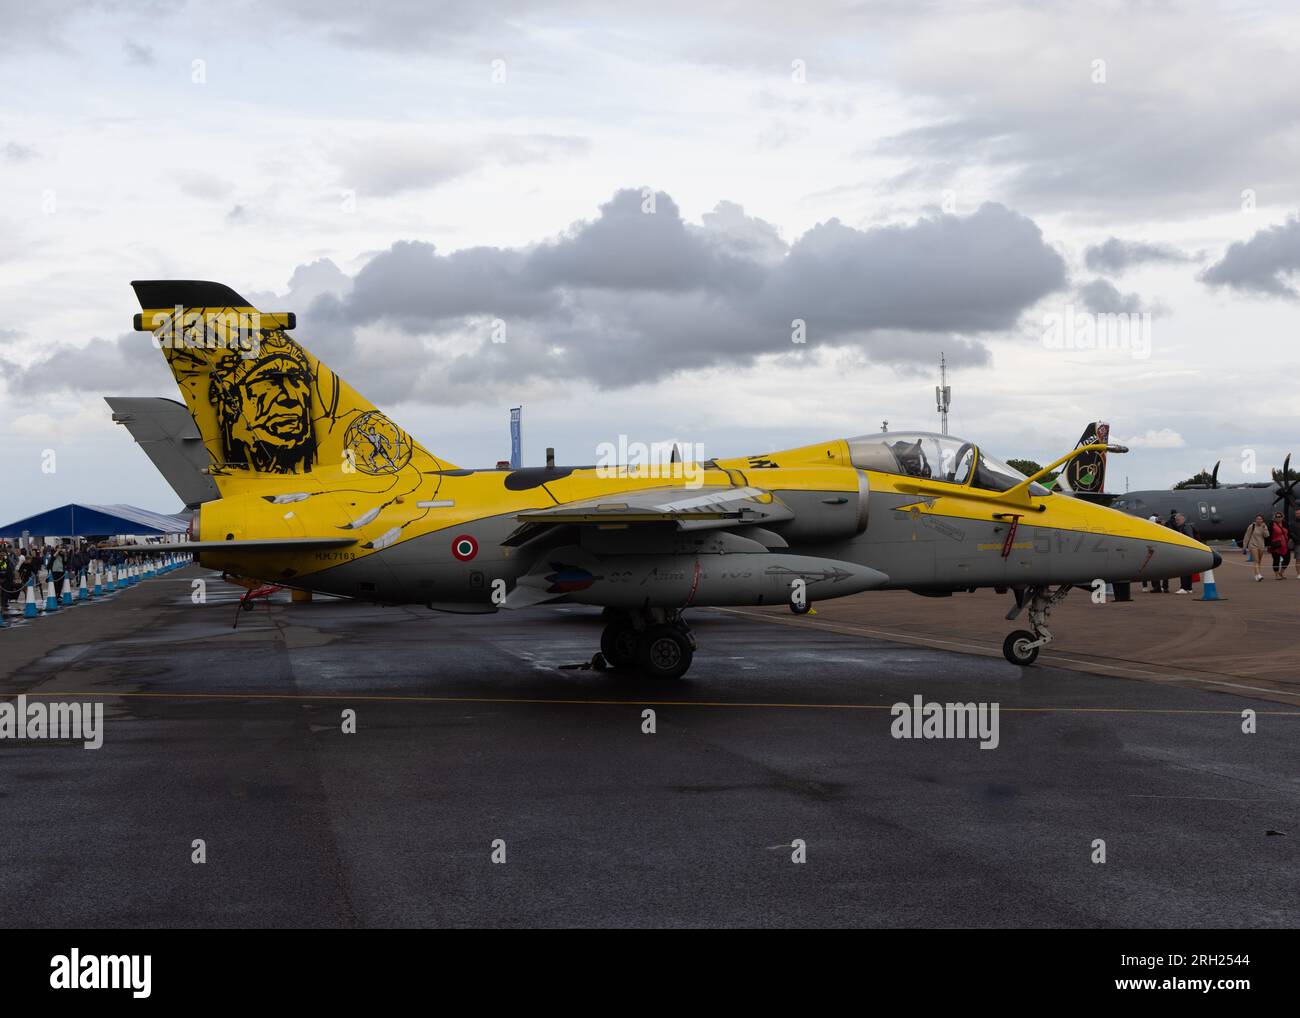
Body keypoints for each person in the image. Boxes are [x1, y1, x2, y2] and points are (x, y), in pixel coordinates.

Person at [1169, 513, 1198, 593]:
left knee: (1184, 570)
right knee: (1188, 570)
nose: (1176, 522)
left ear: (1183, 520)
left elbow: (1190, 539)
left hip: (1187, 552)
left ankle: (1184, 588)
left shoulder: (1186, 527)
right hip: (1188, 552)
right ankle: (1188, 588)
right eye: (1176, 520)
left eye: (1178, 520)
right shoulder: (1183, 527)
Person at [1243, 514, 1270, 582]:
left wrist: (1264, 529)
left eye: (1260, 519)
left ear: (1262, 520)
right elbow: (1247, 536)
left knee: (1259, 561)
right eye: (1257, 519)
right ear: (1255, 520)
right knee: (1256, 560)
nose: (1259, 520)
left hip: (1261, 545)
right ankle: (1258, 574)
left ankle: (1256, 575)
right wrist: (1244, 546)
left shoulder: (1264, 526)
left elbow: (1267, 535)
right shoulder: (1252, 526)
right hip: (1252, 545)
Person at [1268, 511, 1291, 579]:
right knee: (1276, 560)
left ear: (1282, 517)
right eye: (1277, 517)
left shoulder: (1285, 523)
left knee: (1287, 559)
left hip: (1285, 544)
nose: (1278, 518)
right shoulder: (1272, 524)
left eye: (1280, 516)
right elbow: (1269, 535)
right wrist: (1269, 544)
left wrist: (1290, 539)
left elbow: (1288, 532)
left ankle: (1281, 572)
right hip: (1275, 544)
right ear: (1274, 517)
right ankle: (1276, 575)